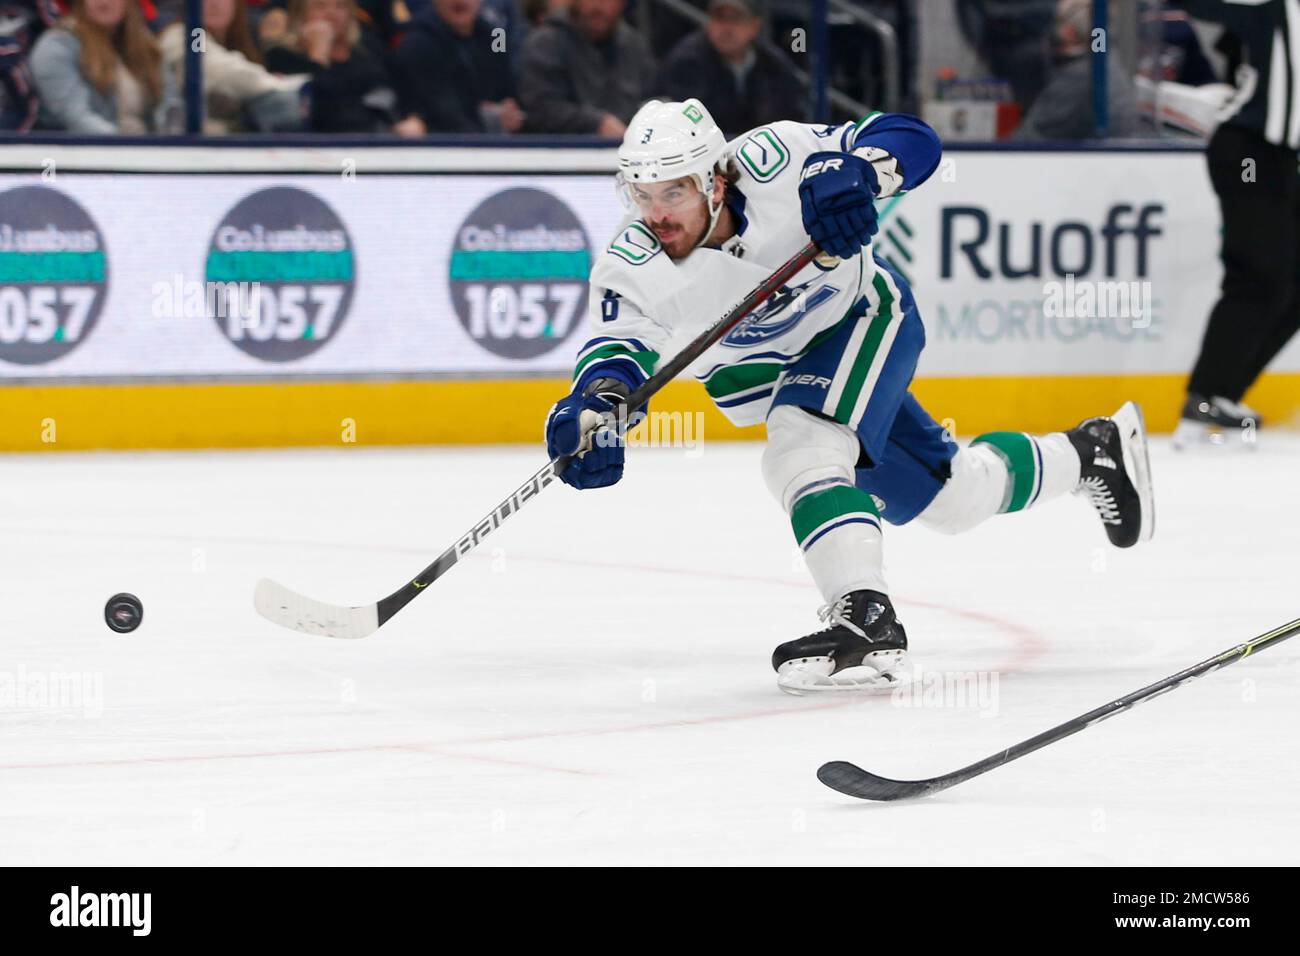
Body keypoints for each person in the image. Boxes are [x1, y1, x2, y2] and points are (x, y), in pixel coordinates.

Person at [543, 99, 1155, 694]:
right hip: (777, 376)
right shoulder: (633, 260)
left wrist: (862, 170)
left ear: (715, 181)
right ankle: (1090, 452)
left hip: (860, 321)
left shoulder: (776, 156)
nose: (656, 214)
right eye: (640, 194)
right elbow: (614, 355)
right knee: (953, 499)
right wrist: (594, 411)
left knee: (801, 447)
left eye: (672, 192)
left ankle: (865, 616)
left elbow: (914, 138)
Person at [1171, 0, 1300, 446]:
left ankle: (1221, 395)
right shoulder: (1271, 7)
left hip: (1286, 159)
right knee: (1257, 273)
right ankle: (1205, 394)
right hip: (1246, 148)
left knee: (1292, 282)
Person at [263, 0, 421, 134]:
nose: (331, 14)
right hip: (315, 149)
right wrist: (318, 53)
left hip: (380, 141)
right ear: (299, 14)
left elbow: (402, 89)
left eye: (340, 6)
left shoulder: (368, 49)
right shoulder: (281, 57)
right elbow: (314, 110)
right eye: (320, 6)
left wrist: (412, 118)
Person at [657, 0, 805, 139]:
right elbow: (690, 128)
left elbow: (793, 118)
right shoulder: (687, 61)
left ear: (755, 26)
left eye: (735, 19)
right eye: (719, 19)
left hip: (764, 155)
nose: (726, 29)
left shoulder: (773, 63)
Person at [158, 0, 308, 133]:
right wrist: (277, 83)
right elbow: (212, 68)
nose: (214, 3)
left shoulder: (240, 42)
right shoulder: (189, 33)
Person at [517, 0, 655, 136]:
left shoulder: (633, 44)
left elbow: (653, 95)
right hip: (562, 152)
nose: (598, 6)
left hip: (631, 150)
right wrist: (596, 123)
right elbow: (541, 109)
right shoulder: (545, 43)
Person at [29, 0, 166, 133]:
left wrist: (169, 143)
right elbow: (76, 118)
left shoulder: (144, 44)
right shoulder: (56, 47)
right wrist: (130, 148)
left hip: (148, 149)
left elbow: (169, 105)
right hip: (86, 152)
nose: (104, 2)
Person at [1013, 0, 1138, 140]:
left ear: (1068, 33)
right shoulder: (1105, 63)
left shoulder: (1079, 77)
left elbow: (1025, 142)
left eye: (1057, 22)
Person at [396, 0, 522, 133]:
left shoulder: (496, 37)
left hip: (495, 142)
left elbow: (509, 89)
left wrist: (511, 110)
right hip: (442, 145)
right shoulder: (418, 43)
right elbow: (446, 116)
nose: (460, 1)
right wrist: (488, 119)